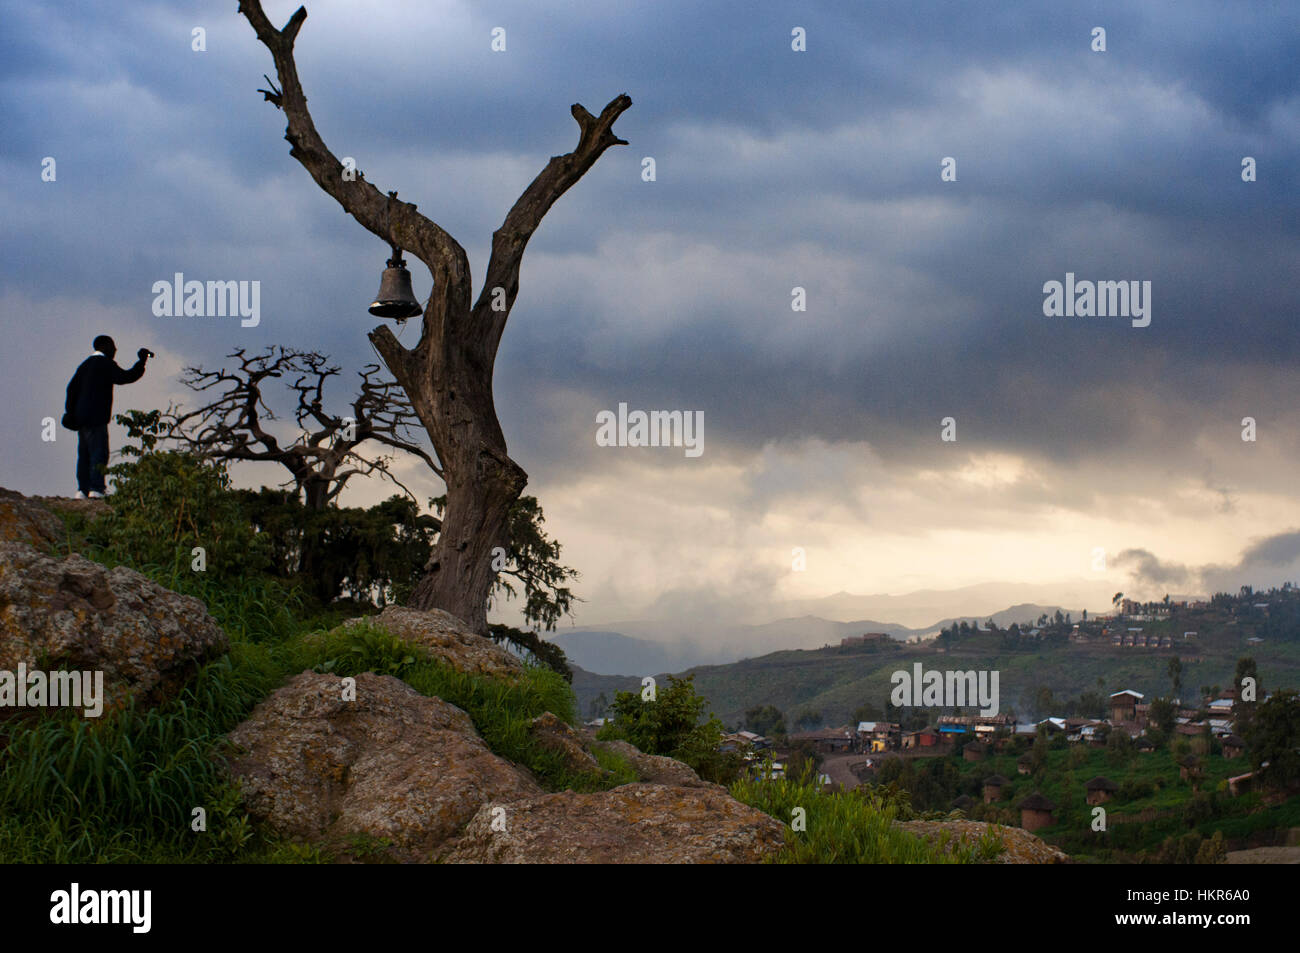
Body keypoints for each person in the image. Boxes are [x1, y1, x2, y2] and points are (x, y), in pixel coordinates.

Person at [64, 335, 149, 498]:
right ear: (106, 346)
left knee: (84, 454)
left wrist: (71, 413)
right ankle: (96, 489)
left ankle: (82, 490)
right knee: (98, 453)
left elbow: (71, 390)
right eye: (113, 346)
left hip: (81, 419)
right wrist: (141, 362)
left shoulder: (84, 366)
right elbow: (125, 377)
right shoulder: (104, 364)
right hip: (97, 418)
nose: (115, 350)